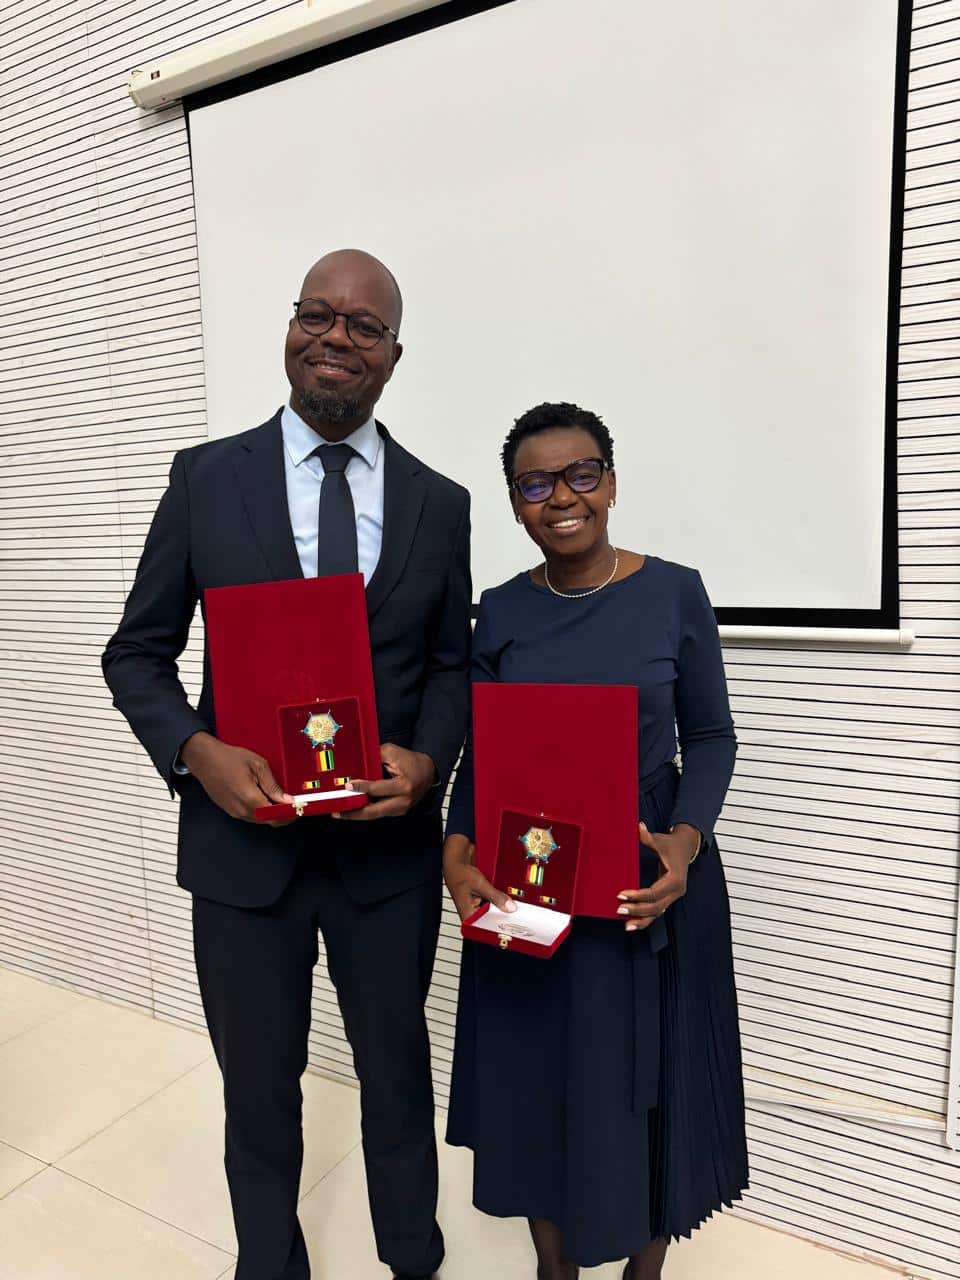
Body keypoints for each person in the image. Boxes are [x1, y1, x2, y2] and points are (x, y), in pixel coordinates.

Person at [102, 249, 471, 1280]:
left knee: (396, 1077)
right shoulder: (206, 480)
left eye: (363, 326)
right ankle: (269, 1263)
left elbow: (452, 663)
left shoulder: (440, 503)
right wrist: (195, 751)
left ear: (393, 354)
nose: (335, 339)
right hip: (241, 853)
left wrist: (427, 761)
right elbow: (135, 652)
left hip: (385, 861)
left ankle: (413, 1260)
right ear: (290, 328)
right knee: (258, 1089)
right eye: (317, 316)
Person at [442, 402, 748, 1280]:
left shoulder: (674, 591)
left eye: (581, 474)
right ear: (515, 503)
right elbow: (482, 755)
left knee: (648, 1084)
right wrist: (456, 848)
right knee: (538, 1076)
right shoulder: (501, 612)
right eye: (535, 484)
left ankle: (645, 1271)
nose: (562, 498)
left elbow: (711, 736)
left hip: (648, 870)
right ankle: (555, 1267)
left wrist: (686, 843)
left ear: (610, 483)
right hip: (530, 870)